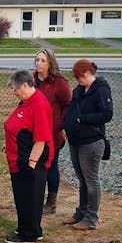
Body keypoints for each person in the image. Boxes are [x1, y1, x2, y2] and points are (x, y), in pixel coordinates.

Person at [3, 70, 54, 243]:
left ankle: (29, 234)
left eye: (15, 88)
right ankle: (27, 226)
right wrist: (9, 144)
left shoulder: (38, 104)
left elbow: (41, 137)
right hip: (19, 156)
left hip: (29, 160)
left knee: (30, 195)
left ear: (25, 85)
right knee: (22, 195)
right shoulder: (26, 102)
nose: (14, 92)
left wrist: (32, 163)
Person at [62, 59, 113, 231]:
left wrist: (82, 119)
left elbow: (106, 114)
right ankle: (81, 212)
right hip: (75, 140)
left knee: (91, 180)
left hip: (91, 141)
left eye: (79, 77)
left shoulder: (100, 90)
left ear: (87, 74)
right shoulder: (80, 90)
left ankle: (91, 218)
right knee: (82, 180)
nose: (78, 80)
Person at [32, 49, 72, 215]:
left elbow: (67, 105)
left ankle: (51, 201)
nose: (39, 63)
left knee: (51, 167)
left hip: (52, 134)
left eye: (42, 60)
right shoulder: (32, 80)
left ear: (50, 63)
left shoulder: (59, 82)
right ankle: (35, 198)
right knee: (35, 166)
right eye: (37, 60)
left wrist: (59, 125)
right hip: (34, 132)